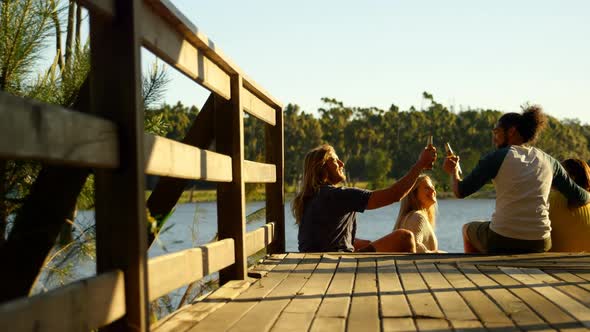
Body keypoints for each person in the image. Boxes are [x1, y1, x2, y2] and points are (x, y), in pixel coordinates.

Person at [443, 105, 590, 254]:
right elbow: (582, 197)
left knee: (467, 229)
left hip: (502, 240)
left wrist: (454, 171)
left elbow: (460, 191)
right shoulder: (549, 161)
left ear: (512, 131)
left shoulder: (497, 157)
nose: (494, 139)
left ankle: (476, 270)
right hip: (541, 242)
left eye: (497, 132)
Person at [293, 143, 437, 253]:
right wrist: (420, 165)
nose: (342, 164)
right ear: (322, 167)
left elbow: (325, 239)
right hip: (335, 263)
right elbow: (394, 194)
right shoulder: (338, 195)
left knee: (366, 243)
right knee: (404, 238)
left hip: (313, 261)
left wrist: (367, 244)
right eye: (336, 161)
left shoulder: (310, 197)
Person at [549, 158, 590, 252]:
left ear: (572, 177)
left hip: (554, 261)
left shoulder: (550, 199)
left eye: (559, 173)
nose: (553, 176)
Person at [393, 175, 441, 253]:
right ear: (414, 194)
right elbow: (415, 247)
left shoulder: (411, 217)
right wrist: (439, 253)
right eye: (427, 188)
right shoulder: (417, 217)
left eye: (433, 187)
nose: (433, 190)